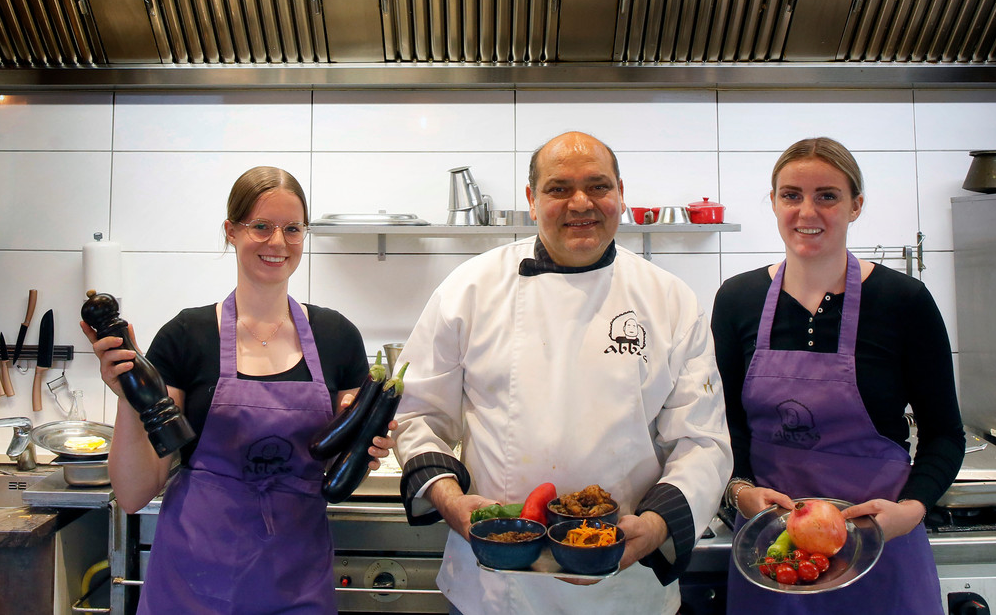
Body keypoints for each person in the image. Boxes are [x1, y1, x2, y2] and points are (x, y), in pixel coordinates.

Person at [392, 130, 732, 615]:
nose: (581, 203)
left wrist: (657, 525)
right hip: (495, 589)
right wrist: (449, 500)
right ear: (532, 201)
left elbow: (702, 440)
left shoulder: (671, 301)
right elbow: (416, 415)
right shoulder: (468, 289)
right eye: (558, 189)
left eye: (598, 186)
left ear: (620, 193)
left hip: (626, 590)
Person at [82, 166, 394, 614]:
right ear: (231, 231)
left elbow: (345, 468)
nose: (278, 243)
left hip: (296, 580)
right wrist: (129, 399)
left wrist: (370, 443)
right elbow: (134, 493)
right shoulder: (186, 336)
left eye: (292, 229)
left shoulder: (337, 337)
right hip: (193, 583)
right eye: (261, 227)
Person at [711, 137, 963, 613]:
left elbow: (945, 433)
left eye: (827, 195)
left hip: (880, 545)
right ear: (773, 203)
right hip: (774, 555)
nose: (808, 211)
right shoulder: (737, 300)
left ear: (855, 206)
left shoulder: (903, 302)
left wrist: (909, 512)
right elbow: (725, 425)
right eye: (791, 195)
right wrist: (740, 488)